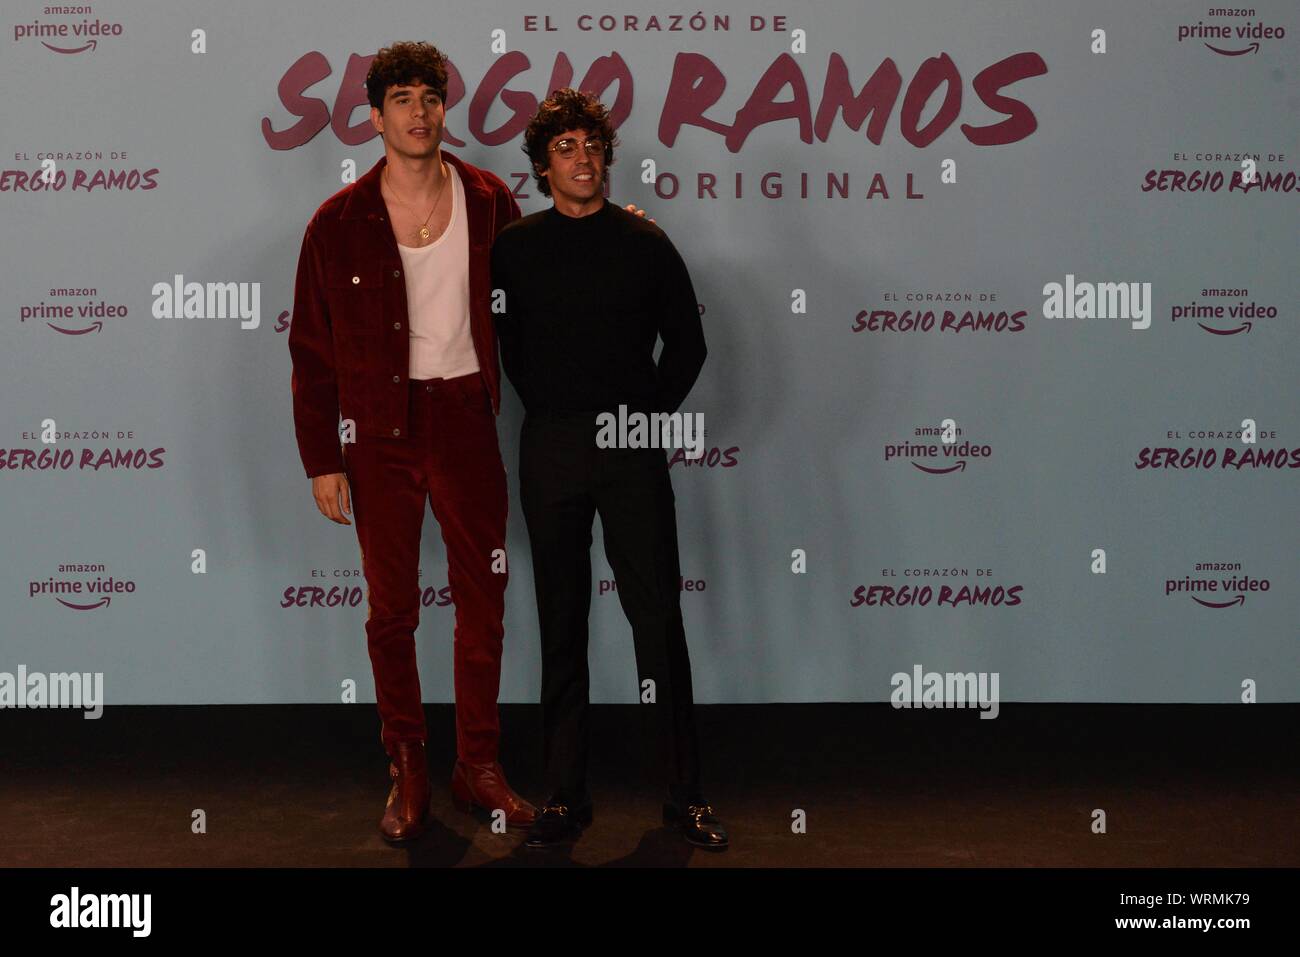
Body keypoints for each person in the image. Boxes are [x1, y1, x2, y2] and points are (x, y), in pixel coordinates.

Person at [287, 41, 535, 843]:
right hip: (378, 434)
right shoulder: (338, 222)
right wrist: (323, 457)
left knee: (483, 601)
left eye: (431, 96)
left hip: (465, 417)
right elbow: (312, 353)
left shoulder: (492, 199)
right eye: (402, 98)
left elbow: (538, 298)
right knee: (391, 610)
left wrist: (613, 238)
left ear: (443, 109)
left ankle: (479, 765)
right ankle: (408, 768)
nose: (420, 111)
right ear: (374, 116)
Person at [491, 88, 729, 850]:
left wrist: (642, 412)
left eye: (592, 146)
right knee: (561, 623)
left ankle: (685, 796)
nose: (582, 158)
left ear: (608, 159)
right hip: (550, 448)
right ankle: (566, 796)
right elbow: (508, 348)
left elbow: (688, 346)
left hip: (629, 448)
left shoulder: (645, 243)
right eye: (565, 148)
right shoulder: (515, 247)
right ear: (541, 165)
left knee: (657, 620)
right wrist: (557, 412)